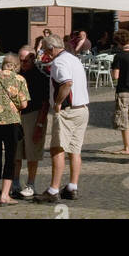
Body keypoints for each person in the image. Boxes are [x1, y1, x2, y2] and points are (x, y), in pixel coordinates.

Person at [42, 35, 89, 202]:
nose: (45, 53)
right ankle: (72, 186)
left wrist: (57, 103)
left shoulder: (59, 62)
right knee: (75, 150)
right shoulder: (73, 59)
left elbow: (67, 83)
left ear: (51, 48)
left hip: (68, 111)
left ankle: (53, 189)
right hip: (82, 109)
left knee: (58, 148)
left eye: (45, 49)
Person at [0, 52, 29, 206]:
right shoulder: (19, 79)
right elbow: (24, 104)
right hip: (12, 123)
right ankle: (5, 196)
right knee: (10, 158)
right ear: (16, 66)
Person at [12, 46, 50, 198]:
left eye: (25, 61)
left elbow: (45, 103)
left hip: (33, 116)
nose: (22, 63)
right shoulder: (16, 76)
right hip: (17, 116)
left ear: (33, 59)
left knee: (33, 153)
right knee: (16, 153)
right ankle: (15, 183)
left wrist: (40, 124)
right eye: (20, 61)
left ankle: (31, 184)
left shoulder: (41, 77)